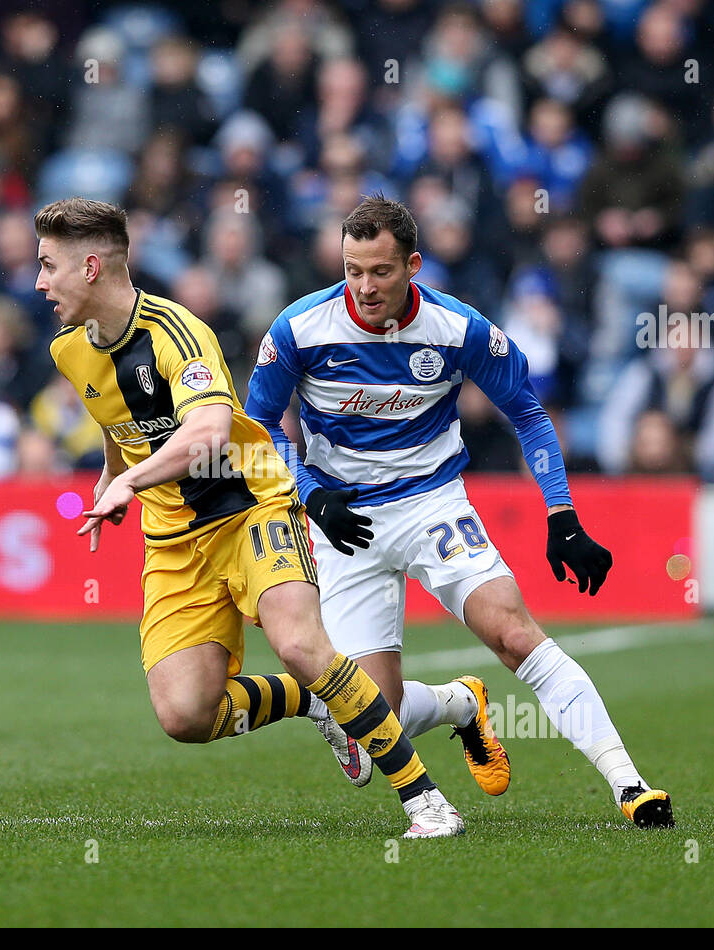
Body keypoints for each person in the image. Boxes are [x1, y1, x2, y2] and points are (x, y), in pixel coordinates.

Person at [36, 197, 471, 838]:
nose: (40, 282)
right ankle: (313, 703)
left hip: (250, 508)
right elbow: (115, 416)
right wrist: (111, 471)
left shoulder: (177, 332)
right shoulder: (68, 350)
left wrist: (130, 478)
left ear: (92, 267)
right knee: (187, 714)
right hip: (174, 542)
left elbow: (211, 433)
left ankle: (426, 802)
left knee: (299, 644)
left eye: (49, 266)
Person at [245, 194, 674, 828]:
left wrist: (563, 515)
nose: (364, 287)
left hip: (430, 503)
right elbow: (256, 429)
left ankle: (629, 783)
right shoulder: (299, 329)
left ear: (413, 265)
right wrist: (309, 491)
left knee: (514, 633)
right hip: (343, 521)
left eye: (381, 271)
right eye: (352, 271)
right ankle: (459, 705)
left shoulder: (460, 328)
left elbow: (528, 412)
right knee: (369, 724)